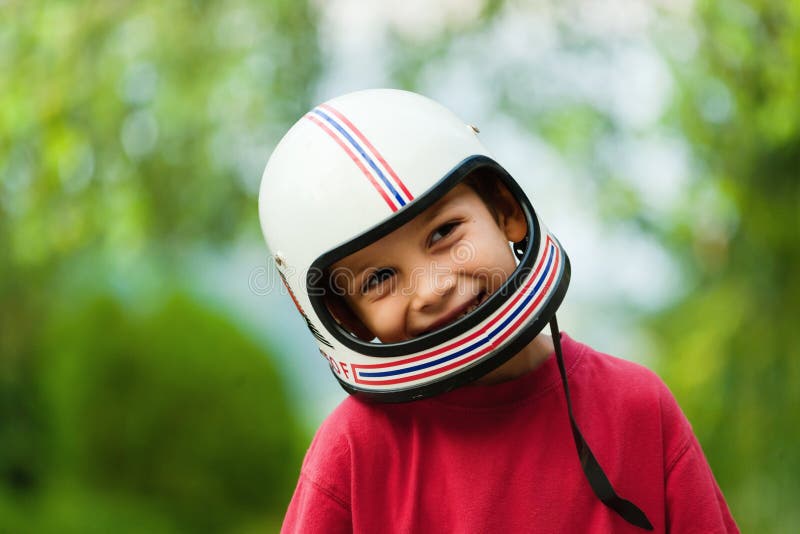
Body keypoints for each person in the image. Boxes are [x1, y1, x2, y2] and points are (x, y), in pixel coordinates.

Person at [258, 89, 738, 533]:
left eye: (445, 233)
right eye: (379, 279)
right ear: (346, 317)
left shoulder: (636, 407)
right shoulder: (352, 450)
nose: (434, 288)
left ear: (505, 210)